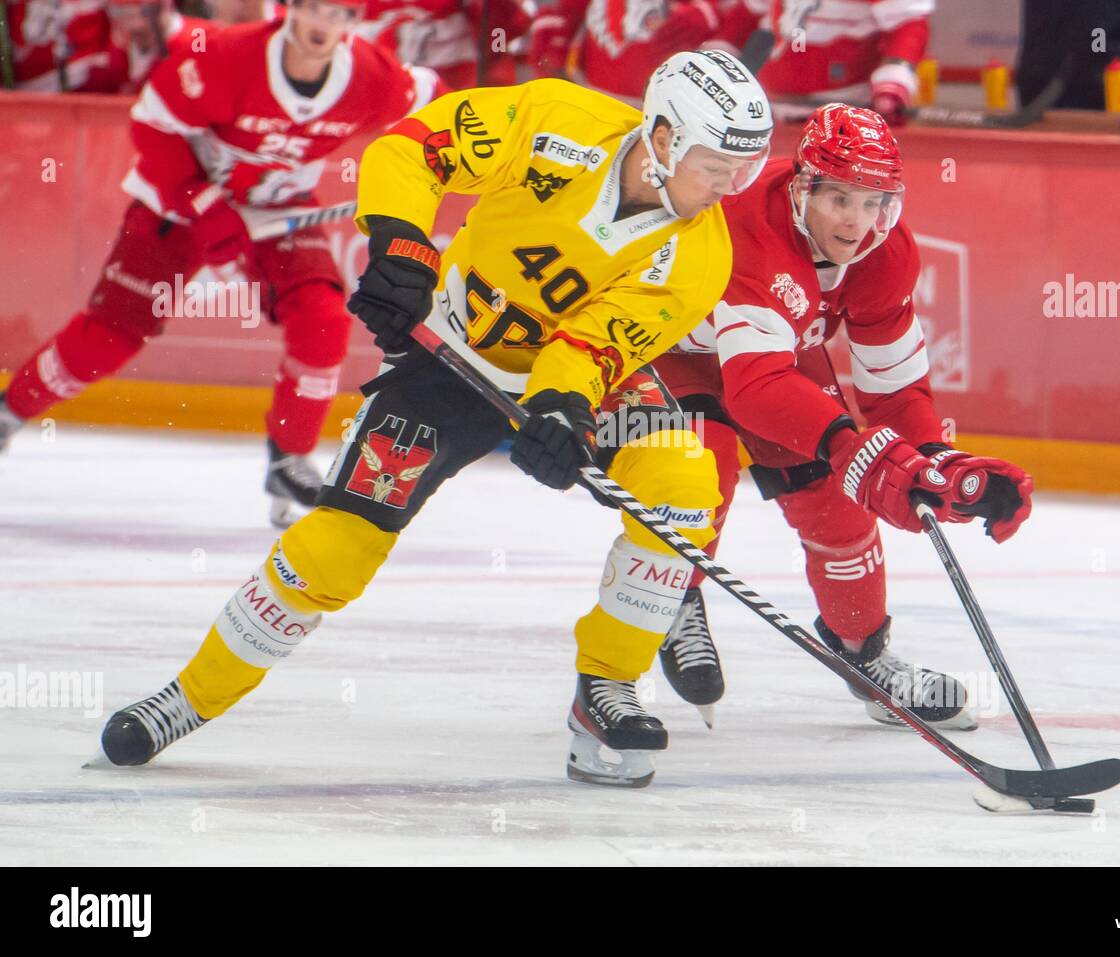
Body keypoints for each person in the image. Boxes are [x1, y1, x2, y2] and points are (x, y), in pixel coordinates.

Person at [92, 50, 774, 788]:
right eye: (718, 164)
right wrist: (403, 243)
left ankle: (604, 685)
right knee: (333, 551)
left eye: (745, 168)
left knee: (682, 478)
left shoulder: (701, 256)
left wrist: (560, 409)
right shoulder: (557, 120)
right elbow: (411, 150)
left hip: (575, 384)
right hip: (446, 362)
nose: (732, 186)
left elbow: (592, 347)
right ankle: (188, 697)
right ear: (665, 137)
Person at [653, 104, 1034, 729]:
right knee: (700, 468)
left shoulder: (887, 255)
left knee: (839, 502)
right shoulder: (754, 225)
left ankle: (865, 654)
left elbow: (894, 386)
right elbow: (752, 389)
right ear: (804, 189)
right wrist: (857, 447)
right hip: (676, 350)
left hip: (778, 358)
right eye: (841, 201)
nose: (859, 224)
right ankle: (673, 594)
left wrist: (935, 464)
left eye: (876, 202)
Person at [0, 0, 443, 527]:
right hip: (178, 201)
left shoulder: (374, 77)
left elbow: (440, 103)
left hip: (278, 209)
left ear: (353, 24)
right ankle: (9, 411)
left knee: (323, 319)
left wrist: (474, 155)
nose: (324, 25)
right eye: (315, 9)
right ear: (290, 10)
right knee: (111, 335)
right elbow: (152, 127)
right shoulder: (228, 56)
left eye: (340, 14)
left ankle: (289, 457)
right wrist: (207, 211)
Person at [709, 0, 934, 124]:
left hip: (847, 112)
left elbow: (908, 26)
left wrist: (892, 84)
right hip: (770, 111)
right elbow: (744, 17)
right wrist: (714, 61)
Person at [527, 0, 724, 104]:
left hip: (652, 101)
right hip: (588, 89)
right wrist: (557, 34)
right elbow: (568, 10)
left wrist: (705, 13)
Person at [358, 0, 533, 90]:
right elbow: (356, 26)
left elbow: (508, 28)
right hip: (403, 69)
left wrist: (497, 52)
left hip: (464, 70)